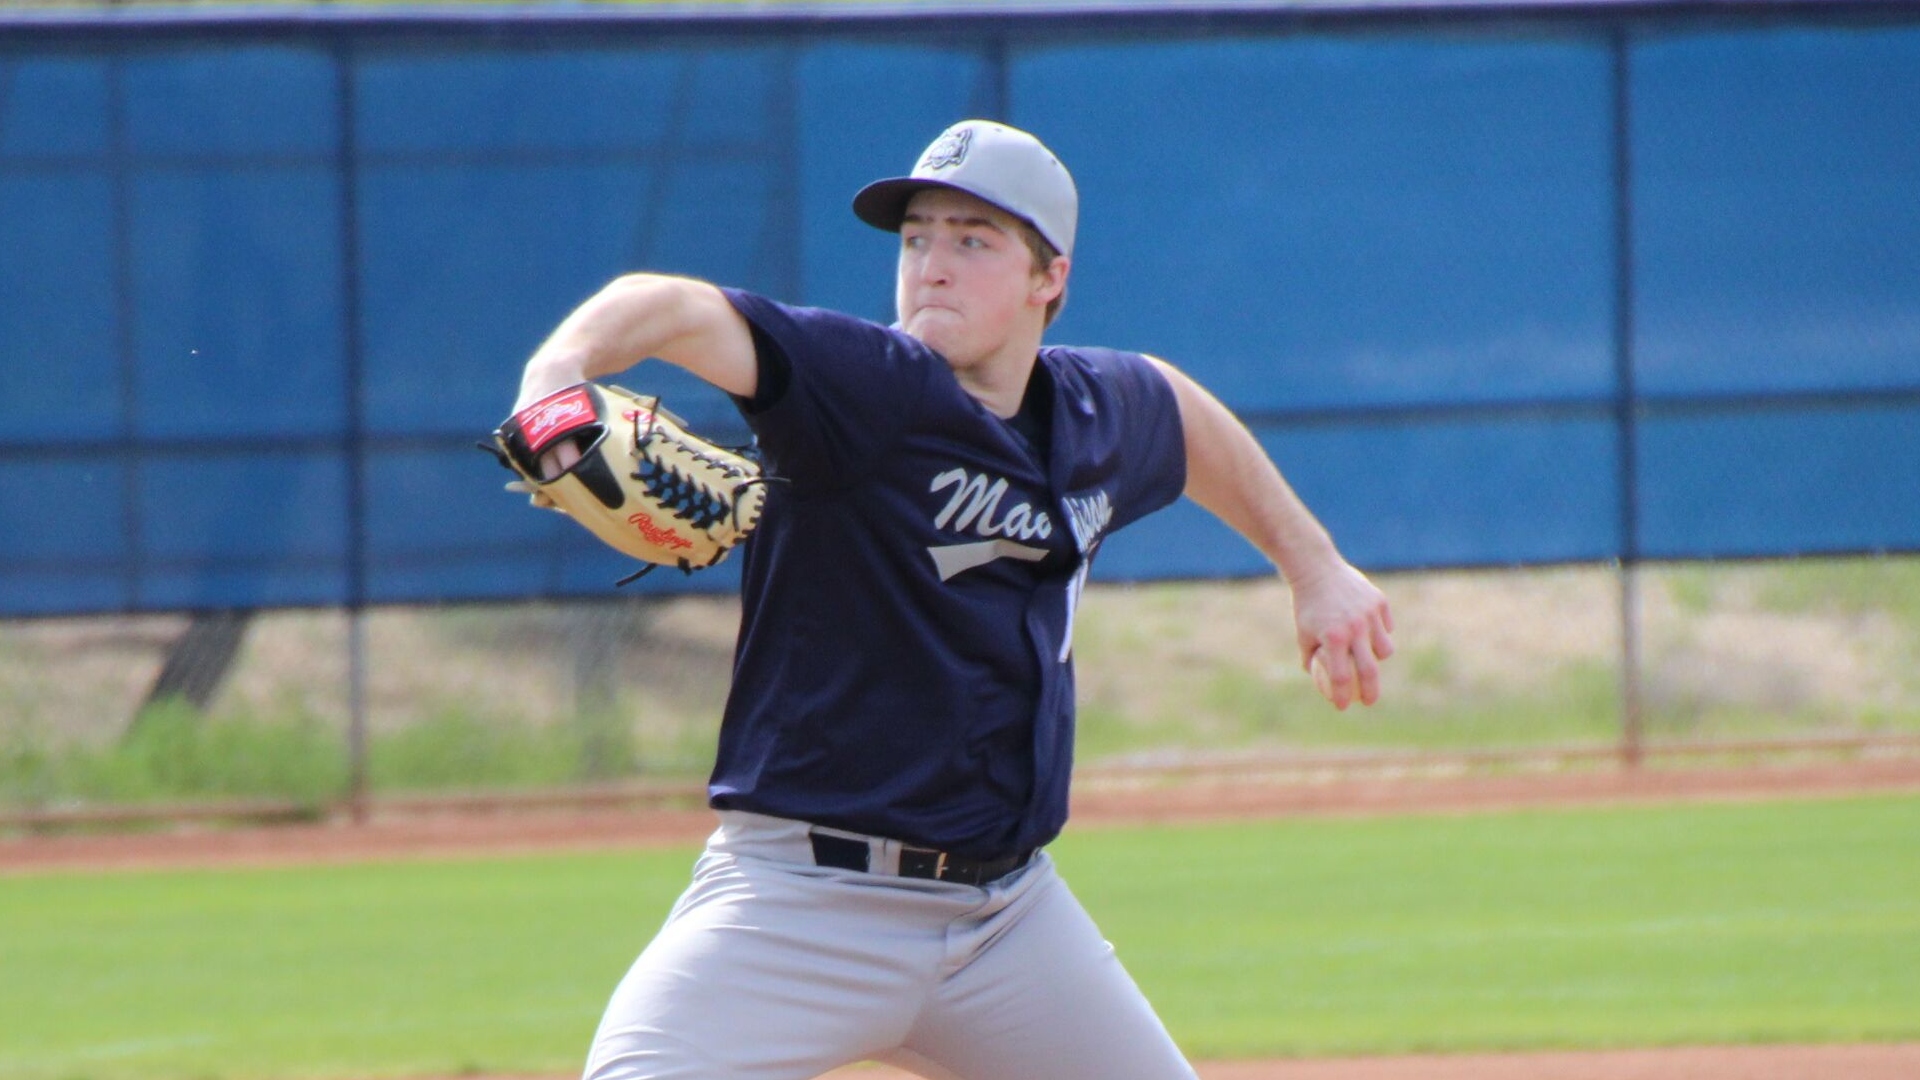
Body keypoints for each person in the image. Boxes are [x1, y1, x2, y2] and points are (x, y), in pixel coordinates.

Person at [511, 119, 1395, 1080]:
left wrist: (1313, 566)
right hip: (801, 905)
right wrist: (554, 377)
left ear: (1047, 278)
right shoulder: (862, 385)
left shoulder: (1097, 413)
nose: (933, 264)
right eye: (918, 236)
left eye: (974, 240)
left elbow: (1176, 408)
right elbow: (668, 305)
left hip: (1005, 923)